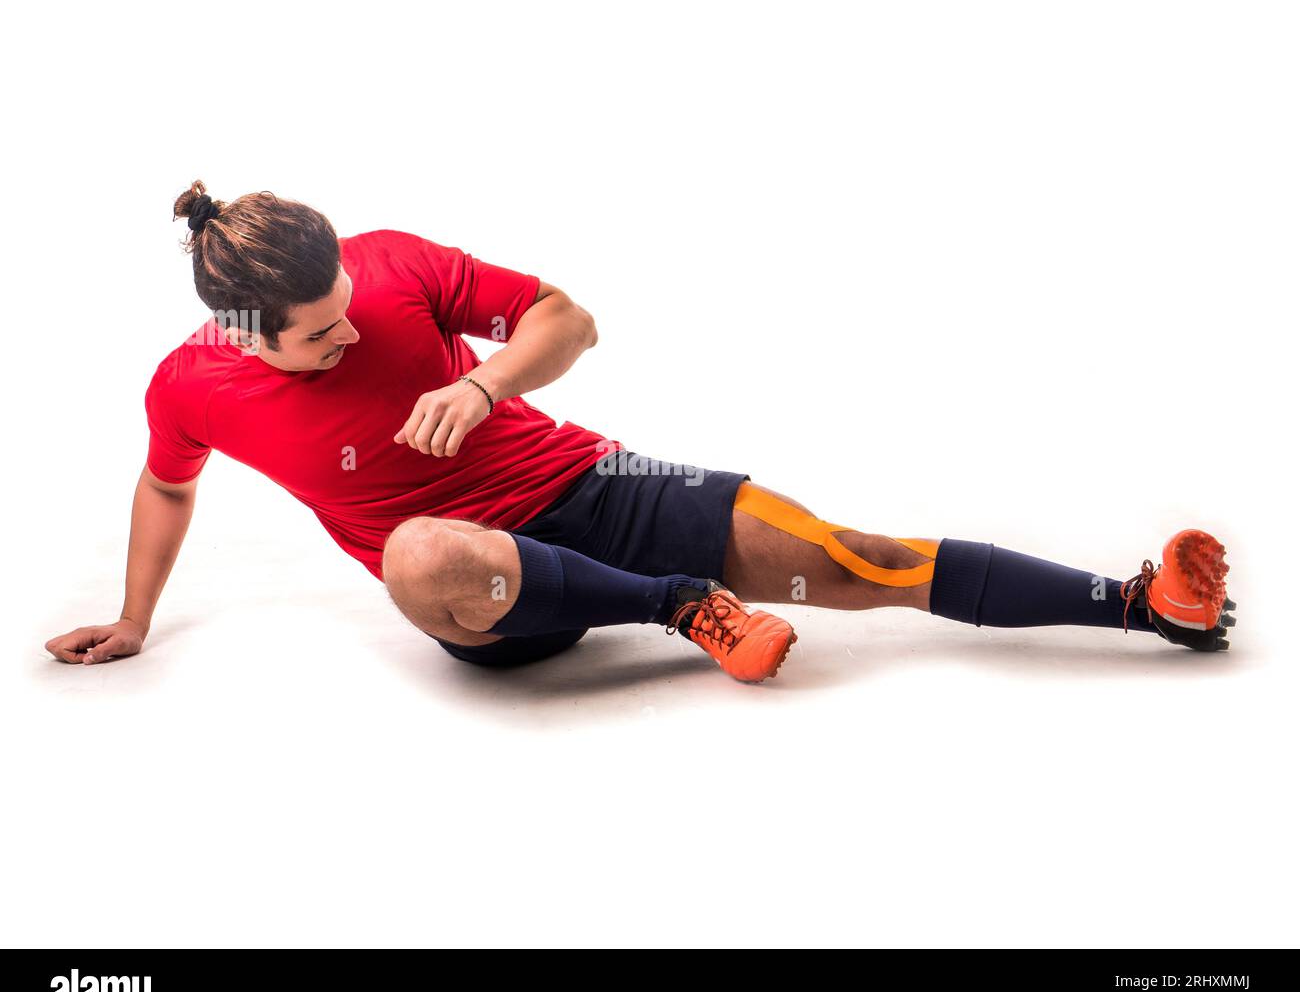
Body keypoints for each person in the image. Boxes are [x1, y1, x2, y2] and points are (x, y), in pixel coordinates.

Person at [44, 182, 1235, 682]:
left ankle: (1135, 606)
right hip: (492, 594)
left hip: (596, 481)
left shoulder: (390, 269)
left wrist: (489, 385)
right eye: (314, 339)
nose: (347, 338)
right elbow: (165, 490)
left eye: (348, 312)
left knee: (853, 555)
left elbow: (570, 320)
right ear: (245, 334)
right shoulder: (191, 388)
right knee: (416, 555)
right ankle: (677, 607)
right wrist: (138, 618)